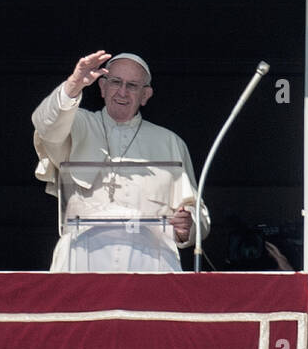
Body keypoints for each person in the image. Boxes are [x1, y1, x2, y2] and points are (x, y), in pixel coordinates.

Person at [32, 50, 209, 273]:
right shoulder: (77, 124)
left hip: (149, 262)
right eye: (116, 82)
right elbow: (44, 124)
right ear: (102, 87)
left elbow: (197, 214)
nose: (122, 92)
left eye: (132, 86)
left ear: (146, 95)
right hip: (81, 258)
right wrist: (73, 84)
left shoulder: (169, 142)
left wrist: (188, 227)